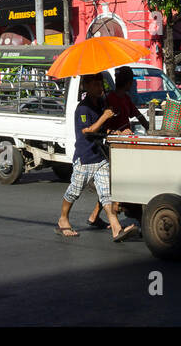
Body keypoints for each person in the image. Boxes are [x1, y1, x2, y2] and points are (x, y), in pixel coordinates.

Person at [57, 74, 136, 242]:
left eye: (101, 84)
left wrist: (118, 131)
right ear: (86, 86)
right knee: (74, 191)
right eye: (95, 85)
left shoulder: (101, 104)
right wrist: (104, 116)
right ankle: (63, 219)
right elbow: (88, 131)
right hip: (85, 158)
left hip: (99, 157)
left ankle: (116, 228)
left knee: (106, 193)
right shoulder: (83, 108)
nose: (100, 88)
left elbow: (103, 130)